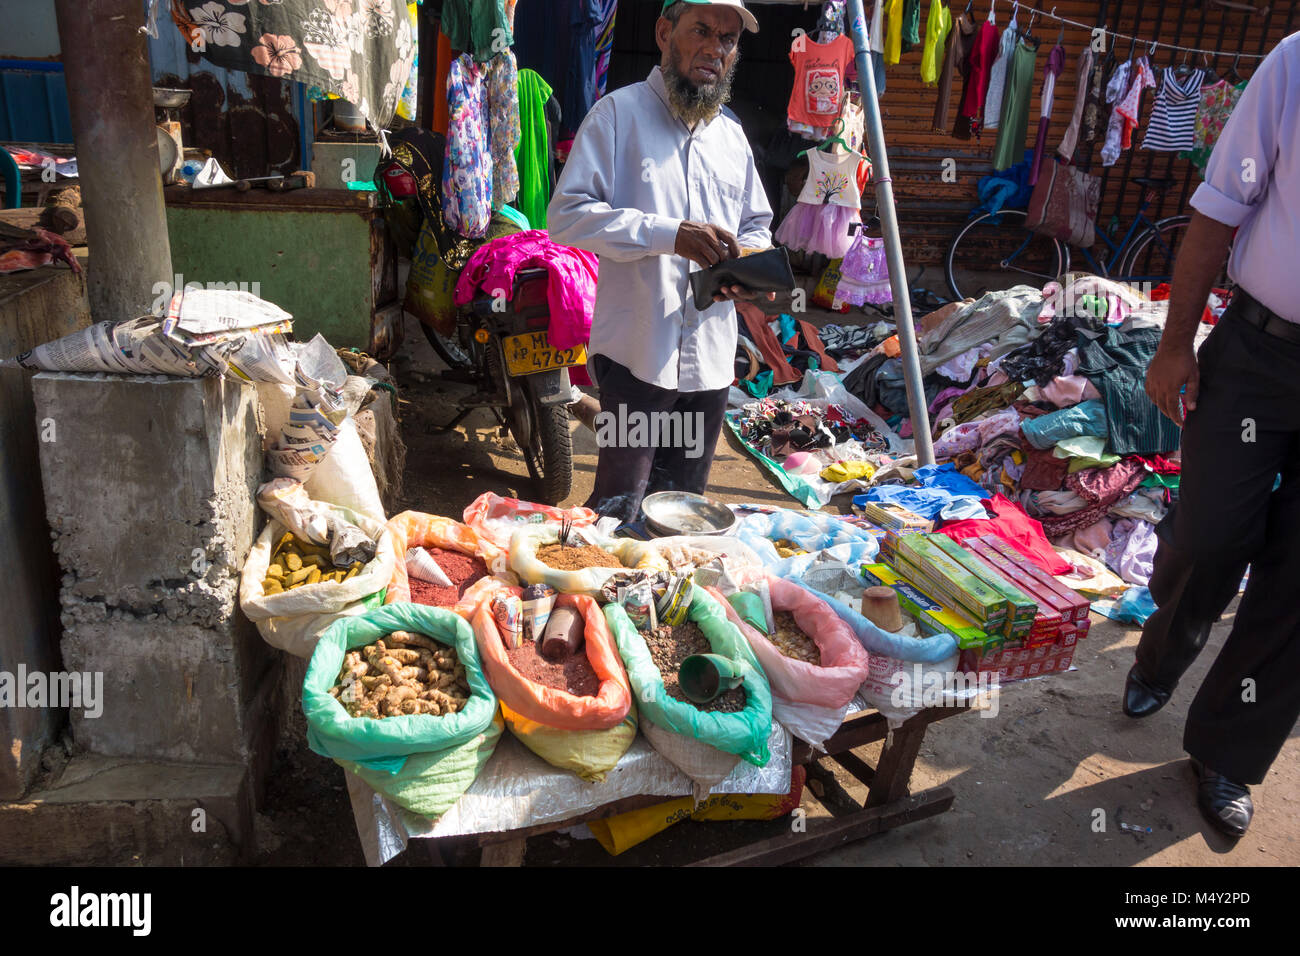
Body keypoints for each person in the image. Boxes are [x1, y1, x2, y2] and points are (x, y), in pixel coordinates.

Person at [1132, 31, 1300, 839]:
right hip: (1262, 353)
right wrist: (1175, 346)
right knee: (1208, 533)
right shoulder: (1296, 64)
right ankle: (1161, 654)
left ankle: (1226, 749)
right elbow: (1217, 211)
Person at [548, 0, 776, 523]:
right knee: (619, 508)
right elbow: (566, 216)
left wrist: (744, 265)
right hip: (637, 357)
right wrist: (667, 234)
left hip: (711, 363)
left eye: (727, 38)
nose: (715, 49)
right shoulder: (617, 115)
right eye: (702, 31)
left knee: (683, 511)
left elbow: (757, 225)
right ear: (664, 32)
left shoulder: (731, 137)